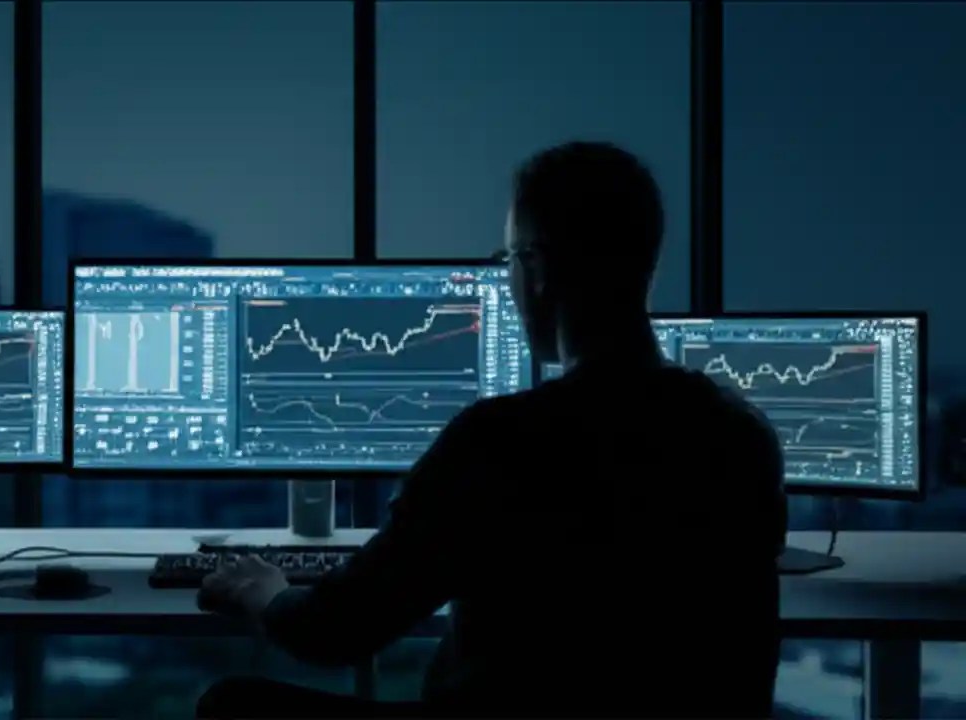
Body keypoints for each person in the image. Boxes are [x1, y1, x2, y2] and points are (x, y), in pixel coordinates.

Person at [197, 141, 788, 719]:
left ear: (538, 269)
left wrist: (262, 591)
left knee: (229, 705)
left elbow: (332, 633)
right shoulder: (742, 435)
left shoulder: (500, 442)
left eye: (507, 260)